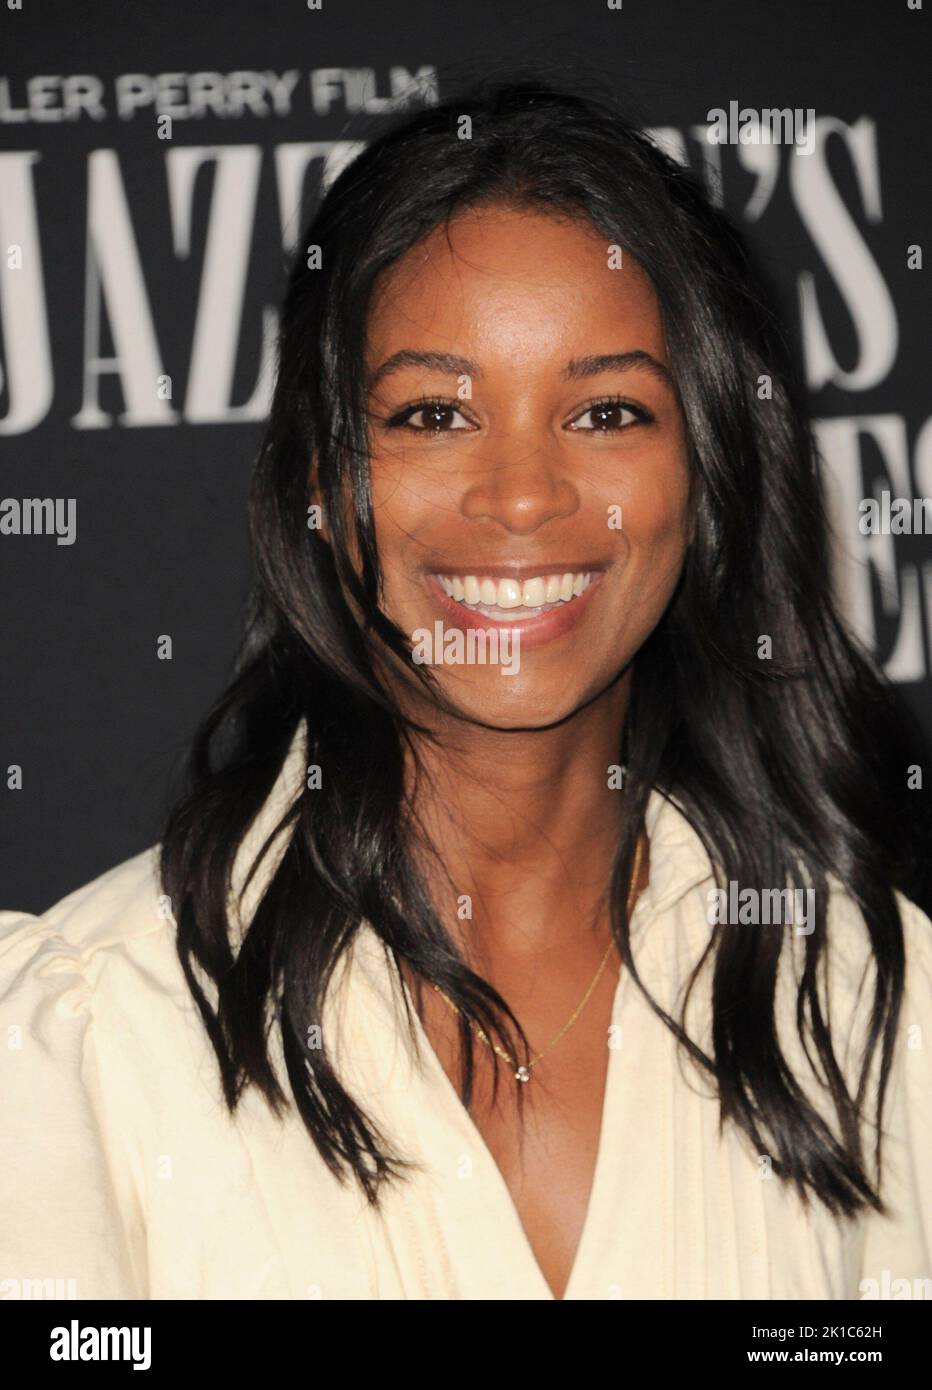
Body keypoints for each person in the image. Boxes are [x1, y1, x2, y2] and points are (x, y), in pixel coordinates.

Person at [1, 77, 930, 1302]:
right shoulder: (91, 1035)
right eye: (433, 413)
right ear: (324, 483)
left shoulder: (872, 1003)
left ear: (704, 472)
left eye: (605, 410)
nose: (522, 496)